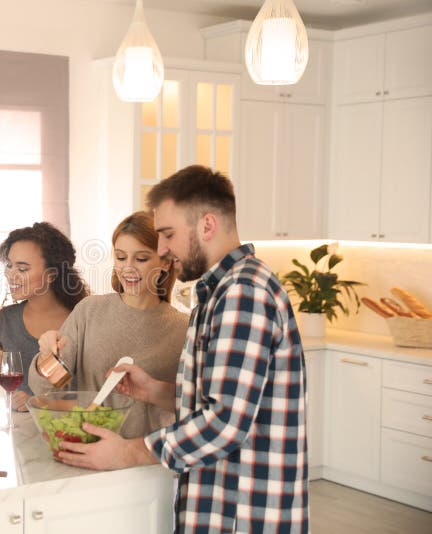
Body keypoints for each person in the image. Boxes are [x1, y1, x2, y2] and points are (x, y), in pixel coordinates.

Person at [56, 165, 309, 533]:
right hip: (219, 504)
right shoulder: (219, 294)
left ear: (207, 226)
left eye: (168, 234)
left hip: (242, 514)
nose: (162, 249)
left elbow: (224, 422)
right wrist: (155, 390)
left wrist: (128, 452)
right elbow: (223, 402)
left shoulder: (243, 294)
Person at [28, 211, 188, 437]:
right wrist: (48, 356)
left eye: (141, 259)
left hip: (143, 461)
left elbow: (193, 406)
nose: (128, 268)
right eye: (121, 258)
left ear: (165, 262)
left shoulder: (184, 329)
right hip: (84, 448)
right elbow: (46, 387)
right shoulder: (89, 311)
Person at [0, 222, 88, 410]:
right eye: (9, 266)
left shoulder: (82, 319)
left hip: (69, 432)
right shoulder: (6, 320)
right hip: (19, 434)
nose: (11, 275)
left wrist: (39, 402)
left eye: (22, 269)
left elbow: (98, 396)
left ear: (51, 274)